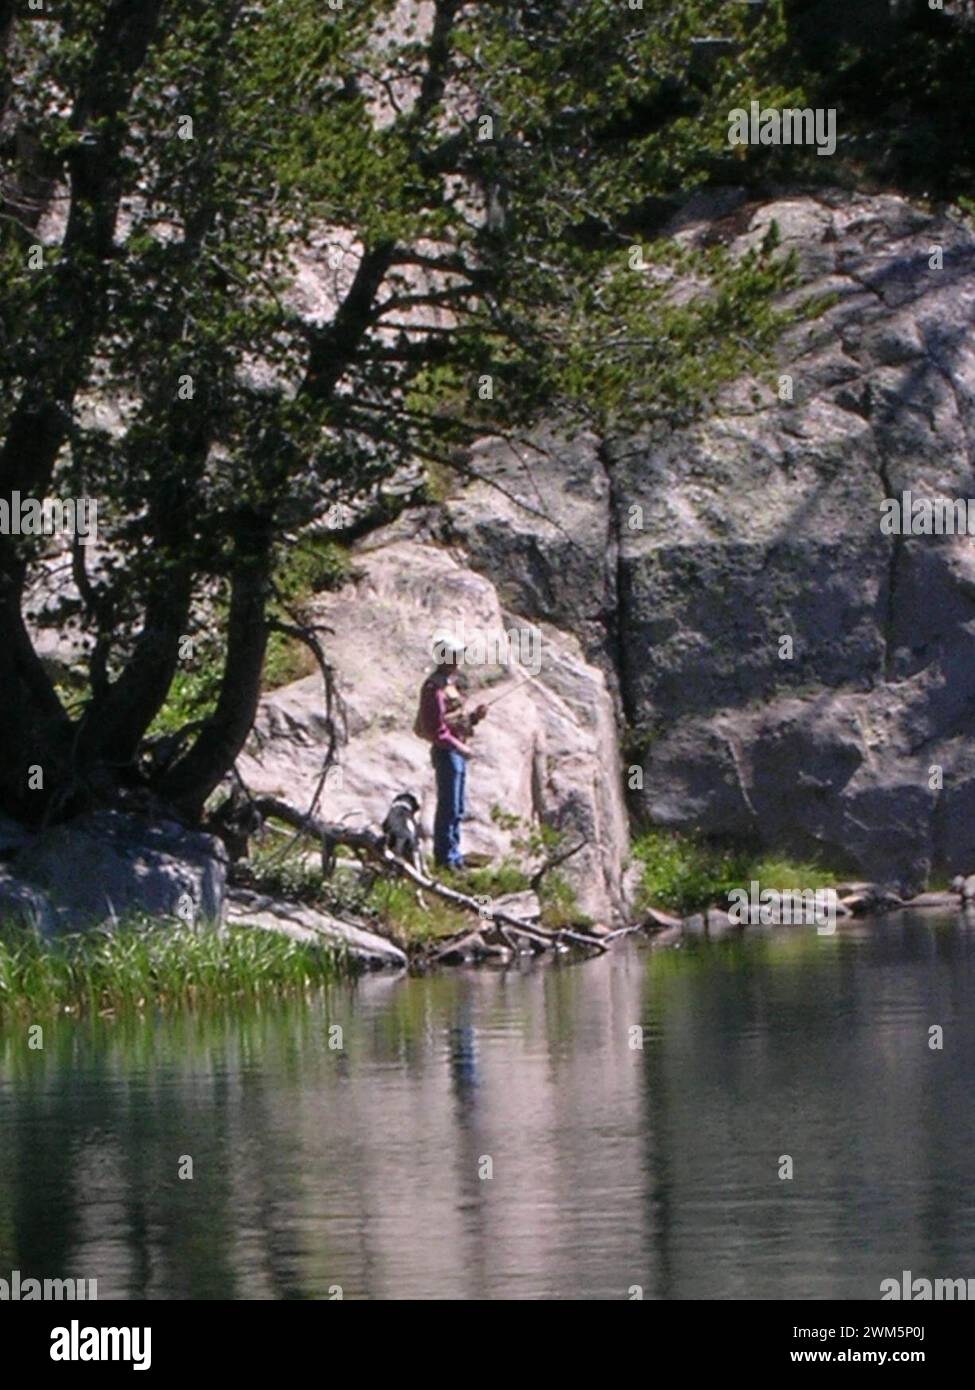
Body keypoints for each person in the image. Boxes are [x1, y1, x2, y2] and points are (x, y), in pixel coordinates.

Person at [416, 648, 487, 869]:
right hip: (447, 753)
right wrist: (460, 748)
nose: (459, 661)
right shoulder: (433, 689)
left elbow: (454, 721)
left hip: (456, 751)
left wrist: (475, 717)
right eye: (455, 656)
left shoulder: (448, 685)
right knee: (448, 806)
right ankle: (445, 858)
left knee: (456, 807)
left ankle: (454, 856)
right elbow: (437, 731)